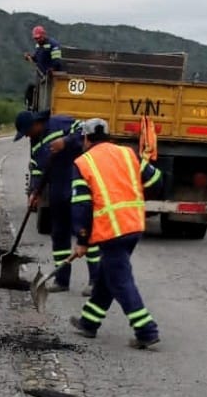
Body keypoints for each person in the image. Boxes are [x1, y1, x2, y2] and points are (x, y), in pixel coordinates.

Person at [69, 117, 164, 349]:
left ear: (86, 138)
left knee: (120, 280)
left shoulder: (83, 162)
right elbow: (157, 180)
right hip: (133, 225)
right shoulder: (127, 153)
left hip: (111, 229)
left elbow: (81, 205)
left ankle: (146, 331)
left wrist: (82, 240)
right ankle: (88, 323)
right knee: (106, 275)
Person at [15, 110, 101, 295]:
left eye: (27, 132)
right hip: (57, 191)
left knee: (86, 234)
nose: (27, 136)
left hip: (78, 185)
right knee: (59, 235)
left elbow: (85, 133)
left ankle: (96, 281)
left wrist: (66, 142)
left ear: (35, 124)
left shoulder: (60, 122)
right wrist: (34, 191)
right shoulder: (35, 142)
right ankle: (62, 280)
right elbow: (37, 169)